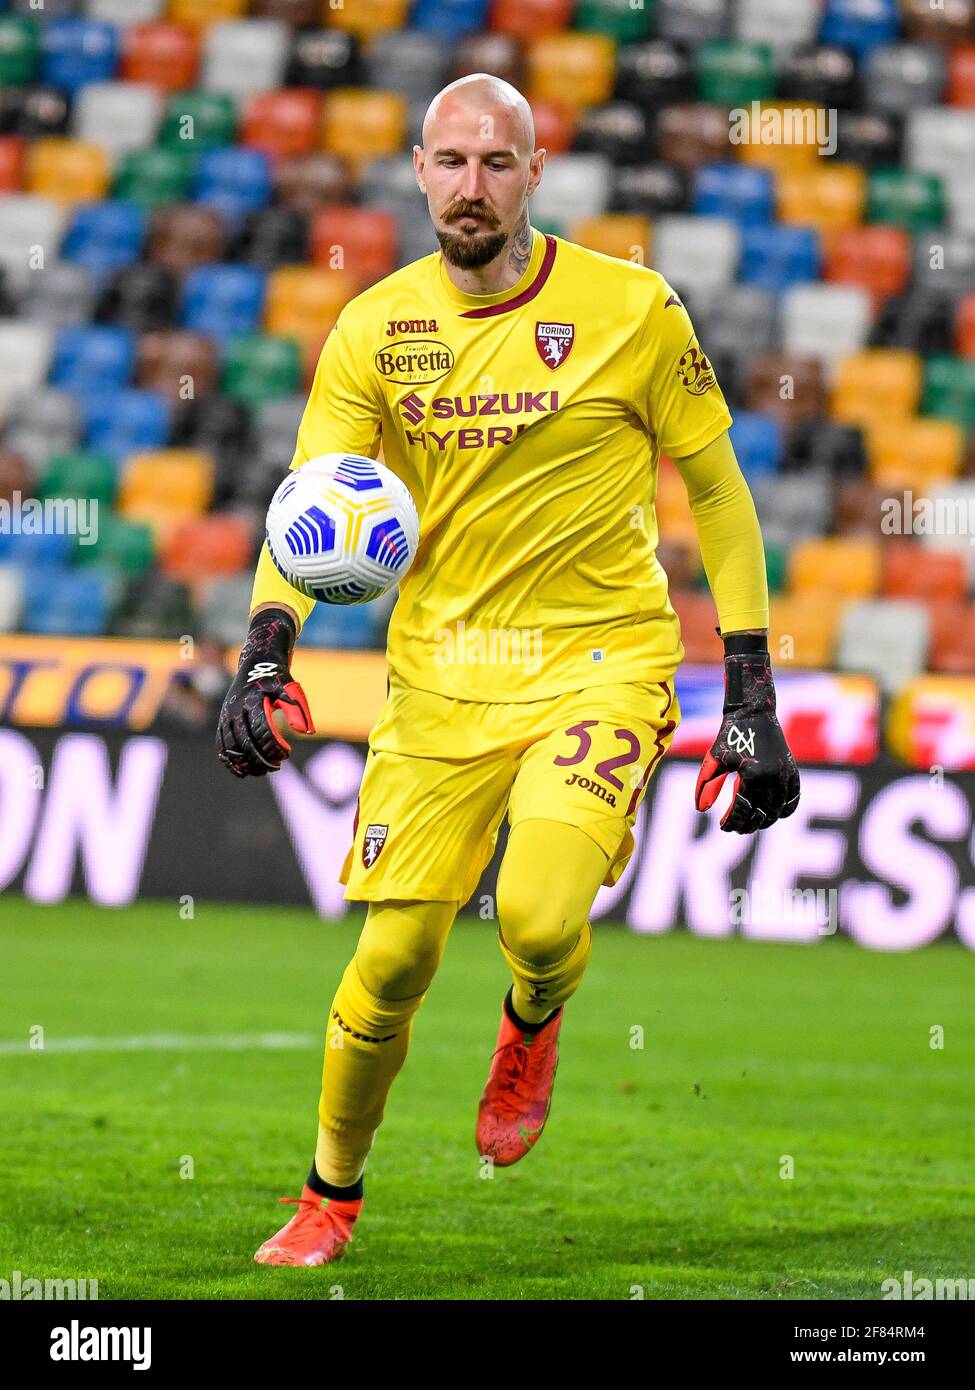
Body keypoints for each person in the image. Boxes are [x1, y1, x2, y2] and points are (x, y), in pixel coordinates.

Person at [216, 74, 800, 1268]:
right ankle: (330, 1195)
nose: (471, 185)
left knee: (536, 915)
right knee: (392, 958)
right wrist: (264, 651)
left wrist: (750, 688)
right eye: (451, 162)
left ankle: (532, 1015)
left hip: (601, 658)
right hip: (437, 674)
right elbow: (312, 511)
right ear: (419, 171)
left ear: (535, 174)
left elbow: (721, 493)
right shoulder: (374, 328)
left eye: (497, 163)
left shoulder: (632, 309)